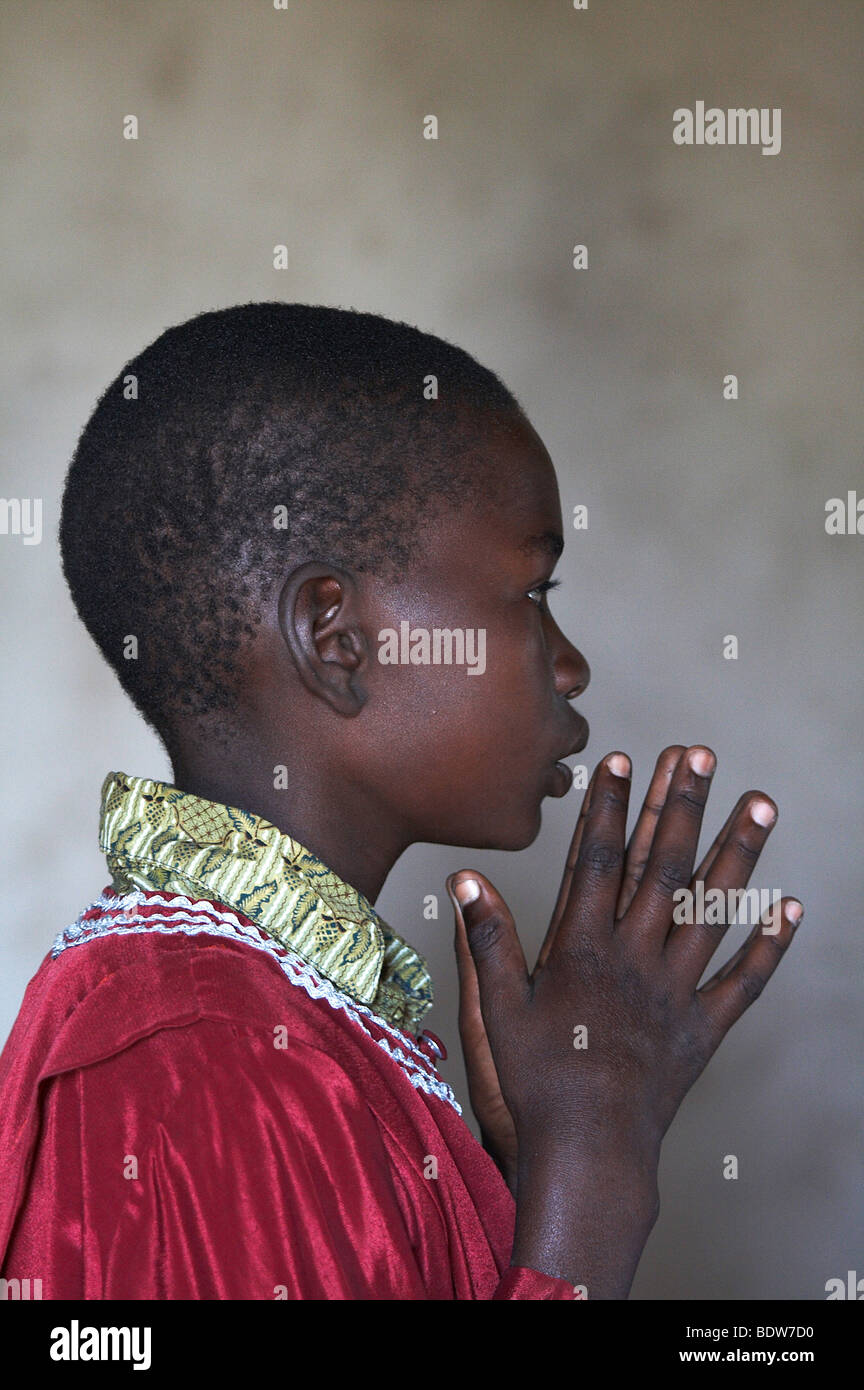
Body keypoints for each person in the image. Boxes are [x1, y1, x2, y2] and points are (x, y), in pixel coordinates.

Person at [0, 303, 802, 1300]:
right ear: (336, 642)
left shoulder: (271, 1016)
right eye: (533, 593)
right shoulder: (203, 1060)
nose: (572, 664)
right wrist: (596, 1174)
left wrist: (519, 1190)